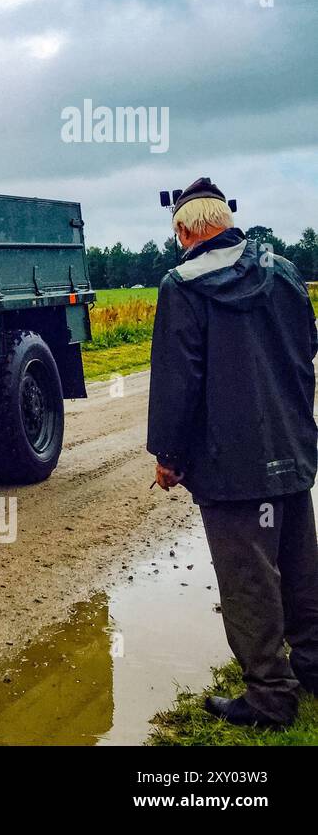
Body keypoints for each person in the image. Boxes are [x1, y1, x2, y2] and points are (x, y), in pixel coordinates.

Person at [147, 177, 318, 728]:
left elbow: (178, 380)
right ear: (226, 221)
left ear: (184, 231)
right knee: (300, 566)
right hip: (290, 448)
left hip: (231, 465)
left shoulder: (183, 286)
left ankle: (271, 697)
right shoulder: (284, 270)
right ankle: (313, 667)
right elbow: (305, 351)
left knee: (250, 579)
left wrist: (168, 455)